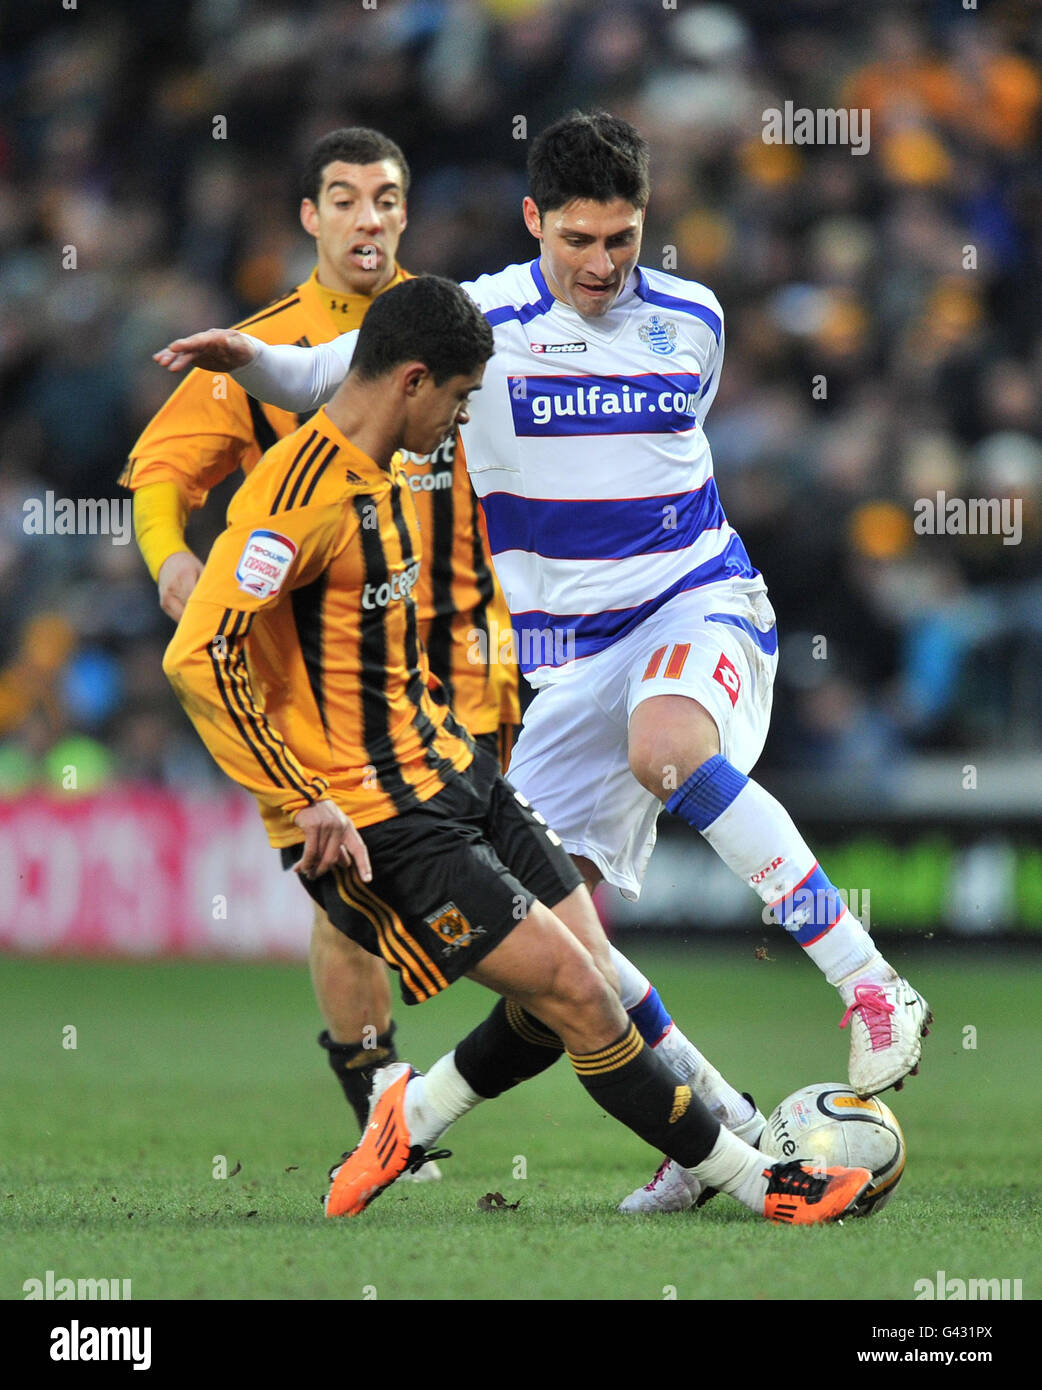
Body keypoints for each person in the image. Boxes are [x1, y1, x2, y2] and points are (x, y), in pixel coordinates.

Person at [157, 111, 931, 1215]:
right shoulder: (484, 318)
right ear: (533, 221)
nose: (602, 264)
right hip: (567, 667)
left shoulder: (693, 322)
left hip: (693, 600)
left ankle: (870, 983)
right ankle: (706, 1128)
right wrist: (251, 360)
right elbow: (332, 369)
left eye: (622, 238)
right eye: (578, 239)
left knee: (667, 750)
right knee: (566, 950)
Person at [123, 127, 518, 1153]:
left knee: (539, 887)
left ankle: (540, 1066)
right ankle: (385, 1110)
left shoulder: (454, 326)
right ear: (309, 216)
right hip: (329, 687)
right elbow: (162, 470)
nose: (367, 218)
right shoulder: (263, 347)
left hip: (461, 662)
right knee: (350, 902)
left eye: (385, 198)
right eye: (343, 199)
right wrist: (170, 557)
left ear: (406, 212)